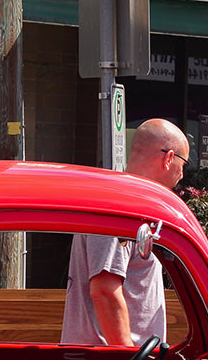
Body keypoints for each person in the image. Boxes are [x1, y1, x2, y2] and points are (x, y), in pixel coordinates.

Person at [62, 118, 192, 348]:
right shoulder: (119, 205)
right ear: (169, 158)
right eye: (183, 163)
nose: (182, 173)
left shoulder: (129, 202)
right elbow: (104, 290)